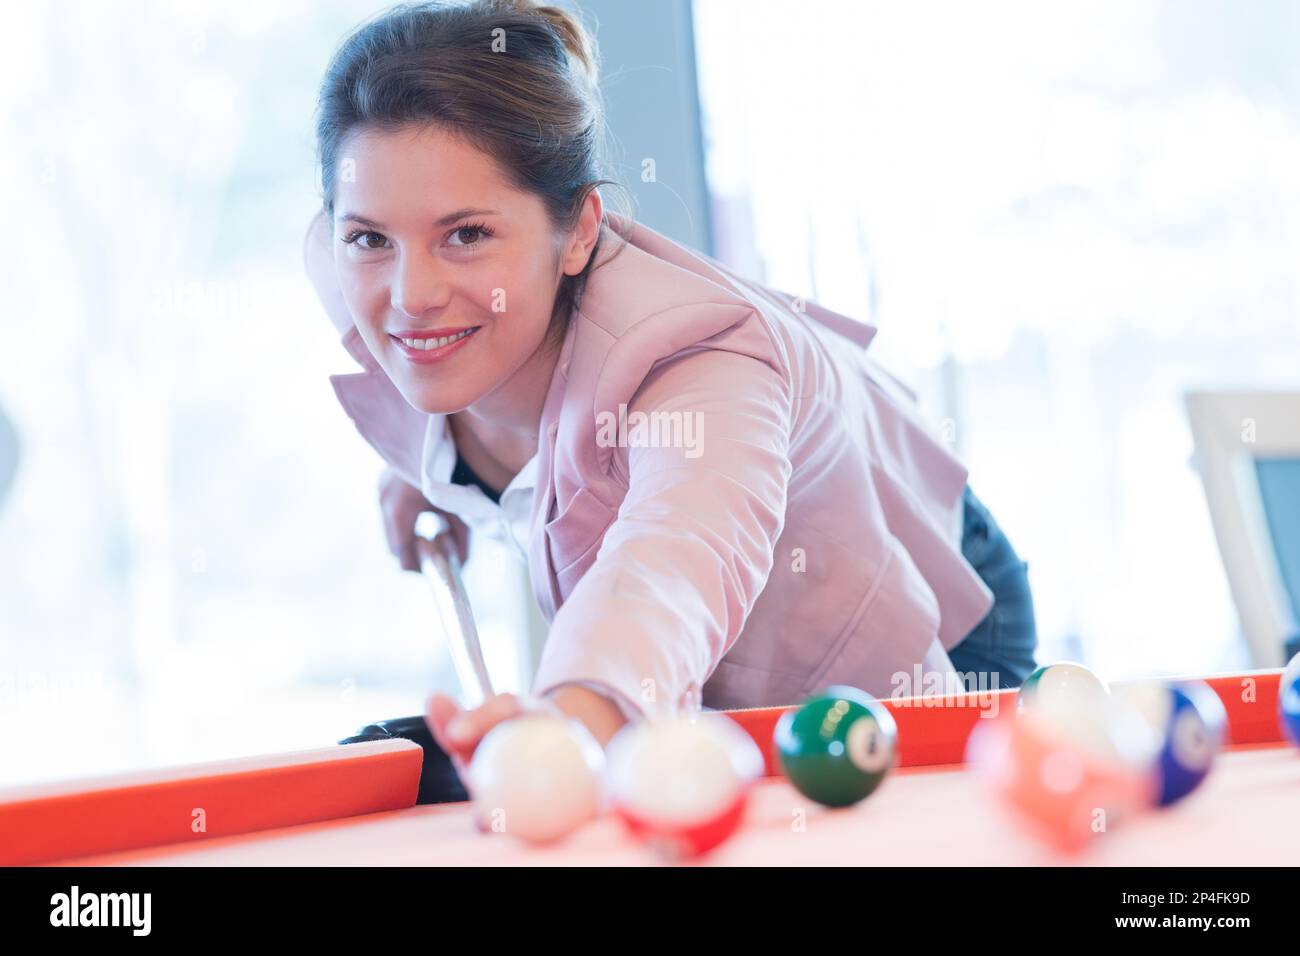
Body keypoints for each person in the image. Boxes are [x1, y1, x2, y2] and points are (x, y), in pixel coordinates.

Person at [304, 0, 1037, 770]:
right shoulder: (348, 259)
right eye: (370, 238)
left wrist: (573, 727)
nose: (412, 292)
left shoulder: (698, 365)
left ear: (581, 229)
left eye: (467, 235)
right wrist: (425, 466)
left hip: (923, 583)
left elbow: (670, 563)